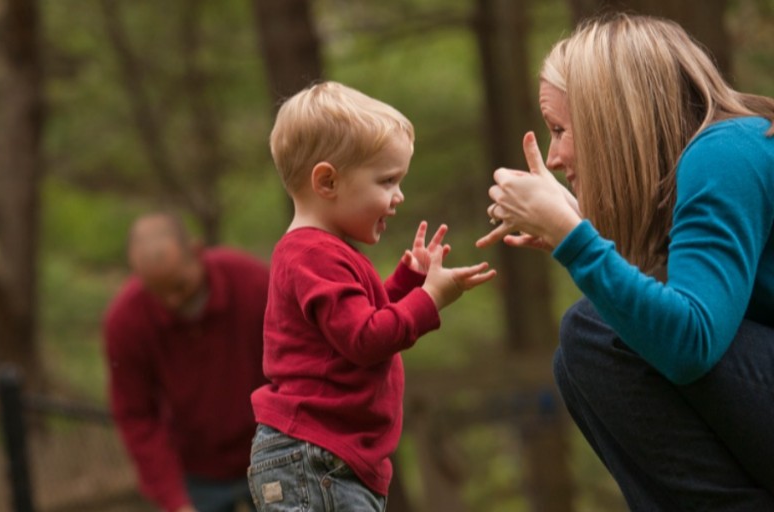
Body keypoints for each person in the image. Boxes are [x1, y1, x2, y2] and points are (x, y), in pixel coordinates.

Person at [477, 13, 774, 510]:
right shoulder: (721, 154)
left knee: (595, 335)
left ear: (610, 118)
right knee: (585, 350)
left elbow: (690, 343)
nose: (553, 157)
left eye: (559, 129)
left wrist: (575, 241)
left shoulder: (724, 154)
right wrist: (579, 233)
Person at [247, 81, 496, 511]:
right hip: (313, 457)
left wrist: (410, 280)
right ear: (327, 181)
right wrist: (430, 301)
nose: (398, 196)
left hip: (326, 457)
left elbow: (357, 320)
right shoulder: (312, 254)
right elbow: (365, 339)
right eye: (387, 181)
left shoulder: (324, 251)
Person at [102, 212, 269, 512]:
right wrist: (174, 500)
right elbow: (137, 416)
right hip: (196, 474)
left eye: (179, 286)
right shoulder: (126, 321)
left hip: (271, 454)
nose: (171, 302)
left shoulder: (252, 283)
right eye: (158, 291)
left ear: (196, 252)